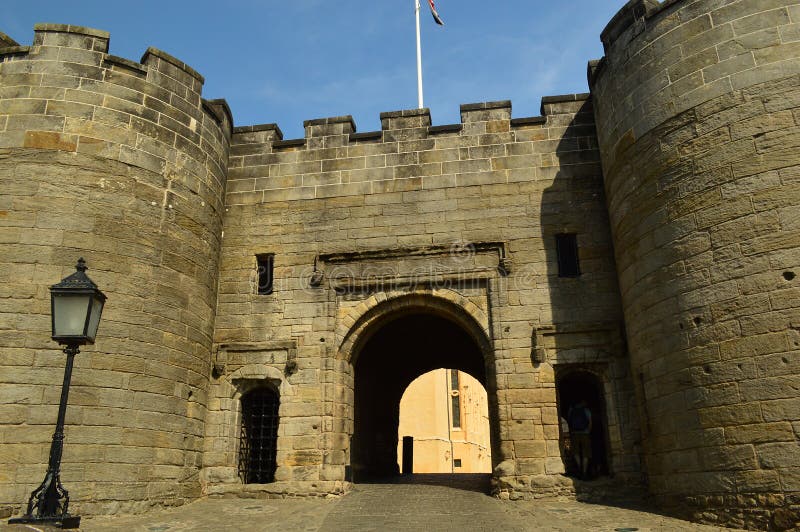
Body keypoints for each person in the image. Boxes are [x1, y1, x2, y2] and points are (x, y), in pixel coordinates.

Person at [567, 400, 592, 479]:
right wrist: (588, 431)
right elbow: (590, 422)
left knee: (575, 452)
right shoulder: (586, 410)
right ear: (583, 402)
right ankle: (584, 472)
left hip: (574, 433)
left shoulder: (571, 409)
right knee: (586, 453)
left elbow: (569, 421)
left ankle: (579, 468)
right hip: (585, 433)